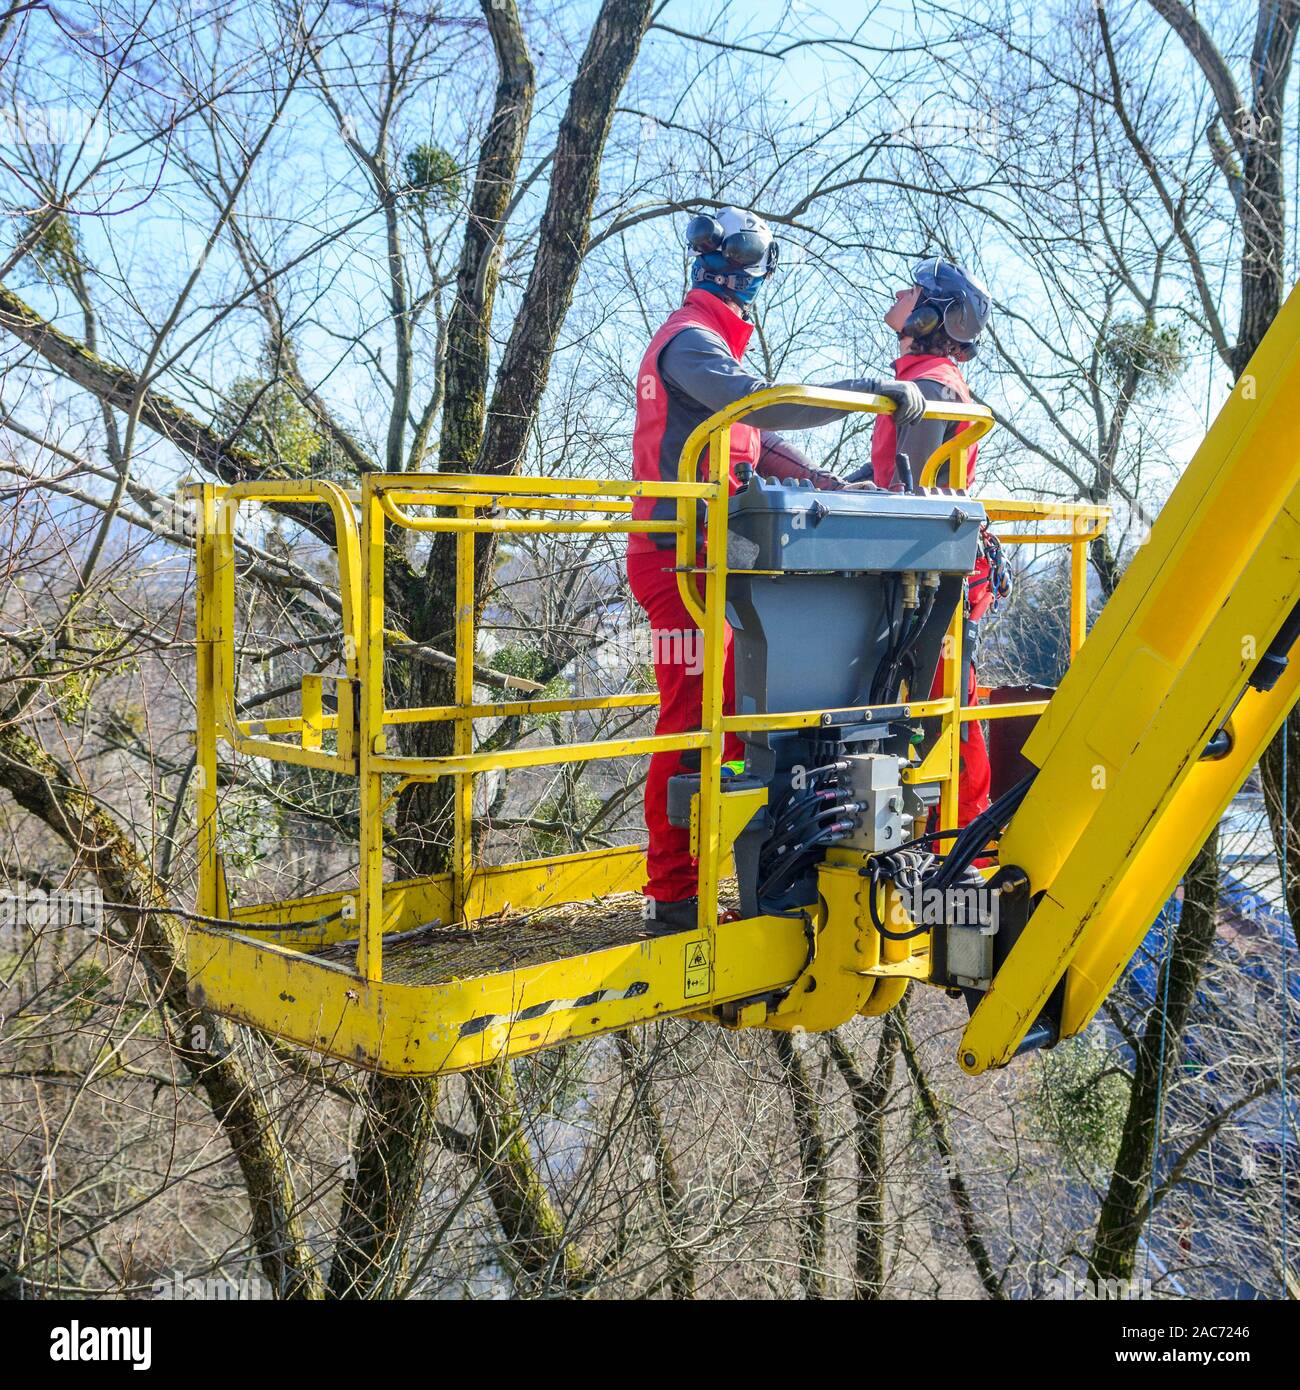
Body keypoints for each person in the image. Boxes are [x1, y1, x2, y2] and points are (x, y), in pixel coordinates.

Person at [628, 205, 929, 932]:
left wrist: (833, 484)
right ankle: (673, 897)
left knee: (732, 726)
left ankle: (713, 877)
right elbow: (755, 404)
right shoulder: (691, 343)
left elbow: (758, 444)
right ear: (752, 276)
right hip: (677, 567)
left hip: (713, 567)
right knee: (689, 724)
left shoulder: (707, 344)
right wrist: (863, 391)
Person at [862, 256, 995, 826]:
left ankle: (963, 843)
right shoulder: (924, 378)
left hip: (930, 571)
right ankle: (951, 832)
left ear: (935, 316)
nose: (902, 296)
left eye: (915, 292)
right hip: (934, 565)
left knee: (943, 710)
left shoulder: (928, 385)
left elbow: (910, 490)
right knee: (940, 708)